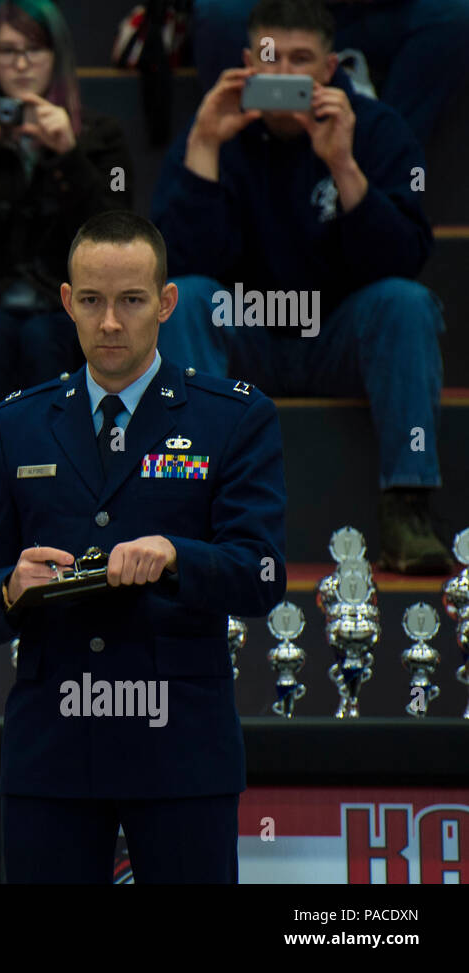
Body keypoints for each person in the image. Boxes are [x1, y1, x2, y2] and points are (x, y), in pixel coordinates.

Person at [0, 211, 287, 883]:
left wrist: (175, 555)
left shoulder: (231, 417)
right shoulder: (14, 425)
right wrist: (12, 587)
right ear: (66, 302)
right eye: (93, 300)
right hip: (53, 750)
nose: (110, 322)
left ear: (166, 303)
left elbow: (262, 572)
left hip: (181, 750)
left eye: (132, 300)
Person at [151, 0, 452, 574]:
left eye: (300, 60)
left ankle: (407, 509)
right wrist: (204, 150)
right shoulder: (214, 129)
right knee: (185, 298)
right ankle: (191, 505)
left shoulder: (376, 128)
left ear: (330, 68)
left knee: (406, 305)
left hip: (337, 333)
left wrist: (342, 164)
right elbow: (177, 264)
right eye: (270, 58)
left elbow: (403, 259)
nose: (283, 73)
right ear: (245, 63)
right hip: (247, 334)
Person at [0, 0, 132, 522]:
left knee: (44, 337)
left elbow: (116, 242)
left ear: (56, 57)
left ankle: (54, 509)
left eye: (33, 51)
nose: (20, 65)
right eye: (7, 51)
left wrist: (67, 156)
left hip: (67, 309)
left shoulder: (98, 136)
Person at [190, 0, 469, 146]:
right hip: (284, 15)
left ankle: (386, 150)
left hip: (379, 14)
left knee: (455, 14)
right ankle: (248, 146)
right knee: (217, 12)